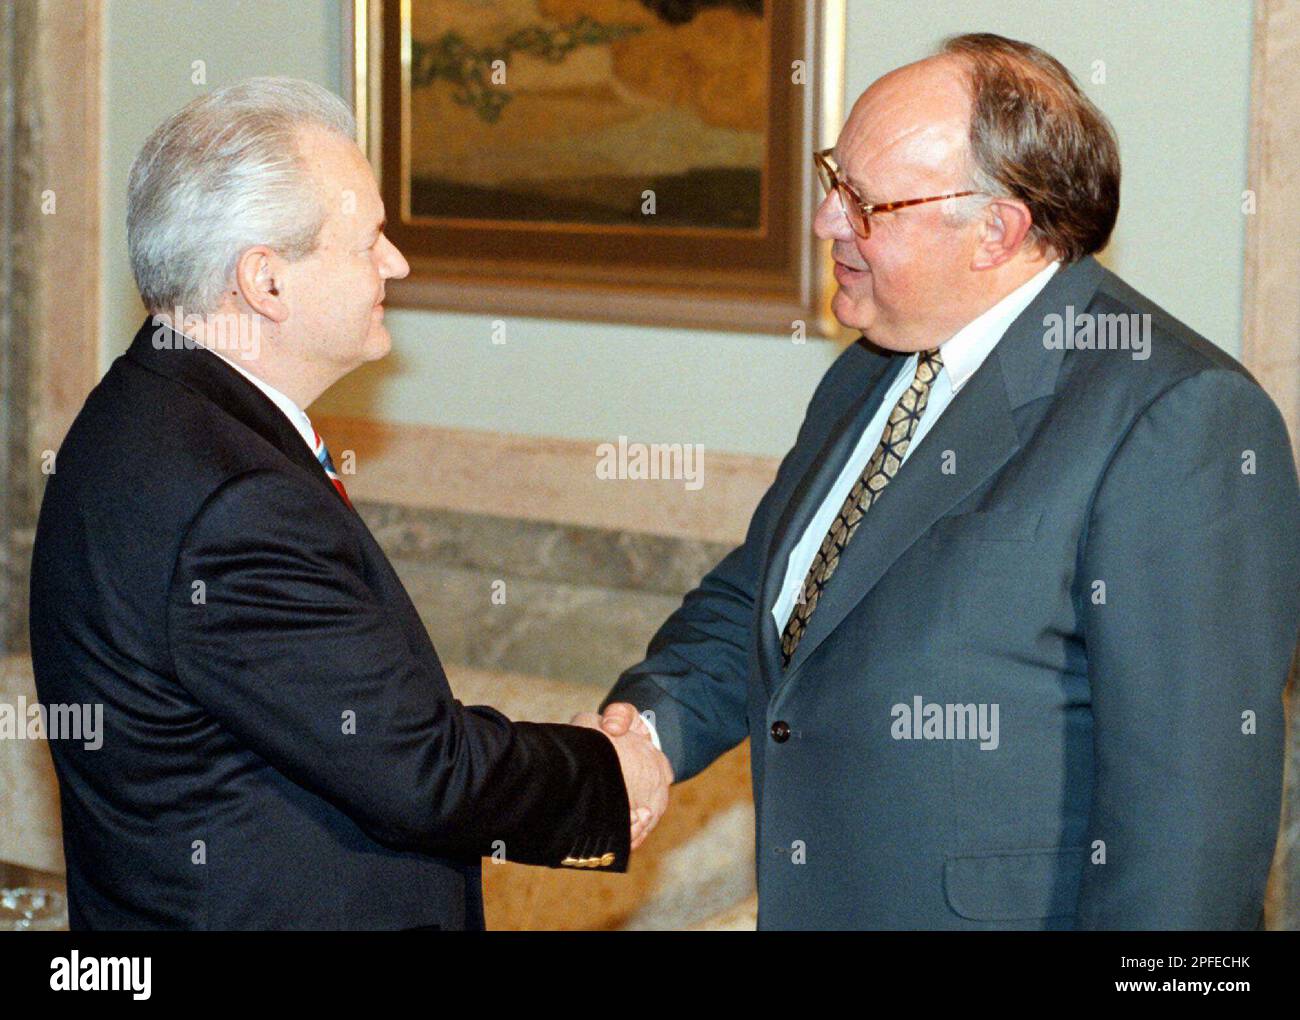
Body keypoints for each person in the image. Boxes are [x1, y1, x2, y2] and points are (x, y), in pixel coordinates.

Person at [599, 33, 1300, 929]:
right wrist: (649, 735)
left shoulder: (1177, 415)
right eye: (832, 178)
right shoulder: (873, 365)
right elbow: (770, 596)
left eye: (864, 202)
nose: (825, 221)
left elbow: (1189, 835)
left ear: (997, 231)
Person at [29, 77, 671, 930]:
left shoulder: (146, 410)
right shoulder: (234, 495)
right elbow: (419, 772)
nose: (396, 263)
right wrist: (603, 771)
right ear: (265, 282)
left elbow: (348, 728)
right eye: (367, 240)